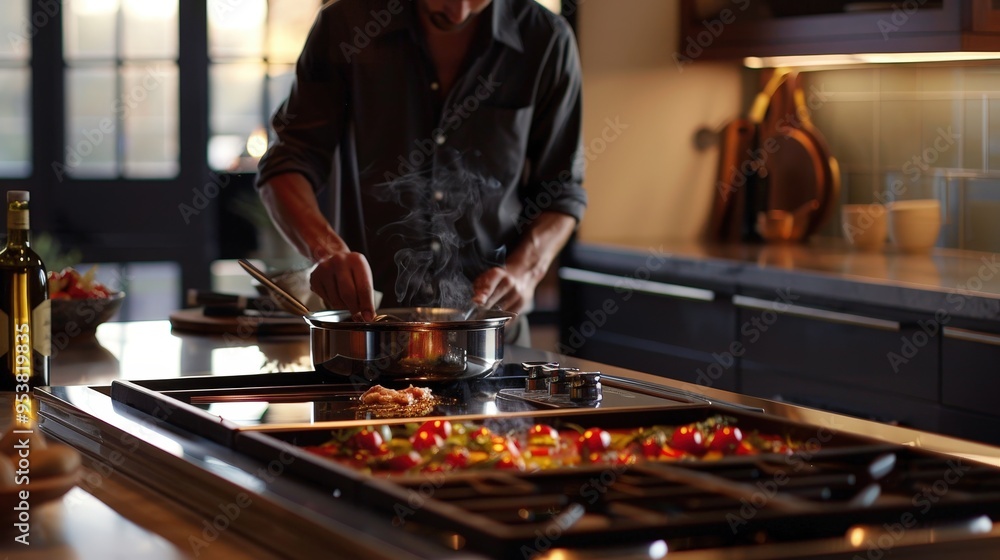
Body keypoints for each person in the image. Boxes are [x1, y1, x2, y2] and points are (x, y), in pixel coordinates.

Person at [256, 0, 586, 344]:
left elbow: (562, 191)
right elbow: (286, 163)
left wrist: (526, 271)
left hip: (492, 336)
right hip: (365, 335)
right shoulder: (345, 25)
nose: (458, 12)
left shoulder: (545, 39)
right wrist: (327, 251)